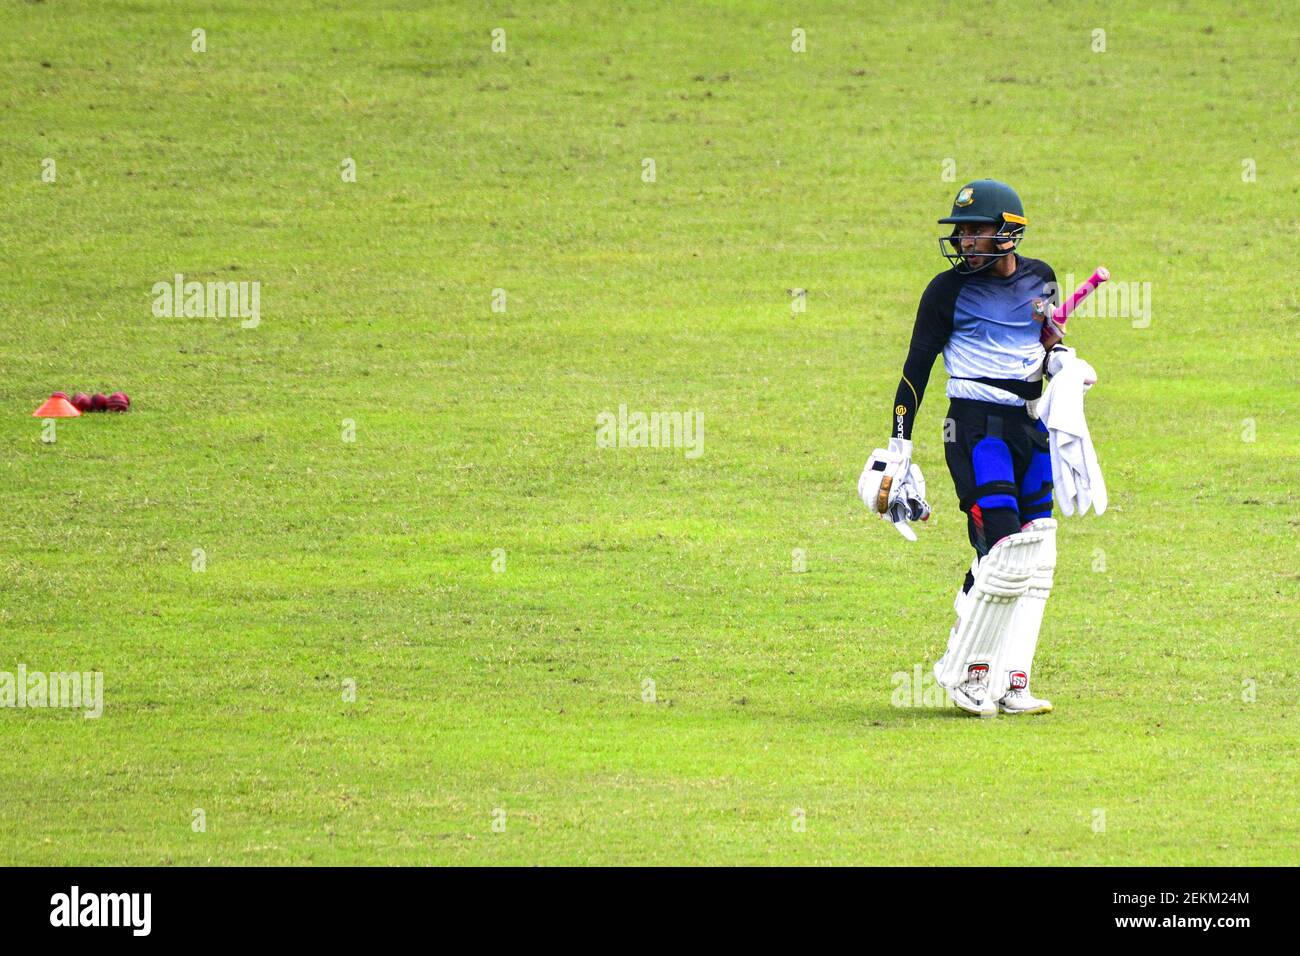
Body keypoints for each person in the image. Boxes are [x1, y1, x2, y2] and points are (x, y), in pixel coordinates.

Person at [859, 179, 1064, 717]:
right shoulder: (945, 291)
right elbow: (914, 371)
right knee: (999, 548)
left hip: (1029, 425)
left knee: (1037, 551)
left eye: (976, 231)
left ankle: (1013, 679)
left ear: (1008, 233)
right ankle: (968, 672)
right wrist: (898, 445)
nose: (966, 241)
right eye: (962, 232)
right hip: (975, 430)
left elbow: (1043, 342)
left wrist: (1062, 360)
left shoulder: (1042, 278)